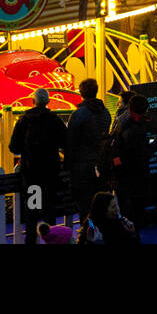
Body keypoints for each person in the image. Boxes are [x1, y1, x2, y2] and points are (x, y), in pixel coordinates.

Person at [7, 87, 69, 245]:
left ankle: (30, 241)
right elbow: (65, 141)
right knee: (49, 211)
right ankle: (52, 240)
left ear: (33, 101)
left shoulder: (24, 120)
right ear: (48, 102)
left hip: (31, 173)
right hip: (50, 173)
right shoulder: (55, 120)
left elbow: (13, 147)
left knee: (31, 214)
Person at [65, 77, 112, 225]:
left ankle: (88, 233)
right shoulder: (105, 112)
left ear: (81, 93)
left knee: (84, 205)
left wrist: (68, 166)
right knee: (100, 202)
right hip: (100, 163)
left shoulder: (78, 115)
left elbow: (71, 142)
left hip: (82, 167)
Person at [110, 93, 151, 228]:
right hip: (133, 175)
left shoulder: (122, 121)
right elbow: (137, 154)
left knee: (126, 210)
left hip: (123, 175)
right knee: (134, 211)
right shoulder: (134, 129)